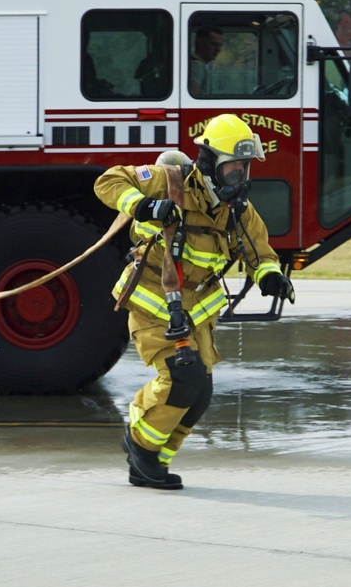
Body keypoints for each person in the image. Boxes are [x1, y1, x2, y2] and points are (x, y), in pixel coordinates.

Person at [94, 114, 295, 490]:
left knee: (200, 392)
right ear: (209, 161)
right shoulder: (170, 183)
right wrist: (143, 206)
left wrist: (270, 276)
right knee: (181, 380)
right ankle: (139, 442)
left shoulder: (238, 210)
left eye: (245, 167)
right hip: (155, 303)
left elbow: (260, 252)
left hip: (198, 312)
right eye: (233, 165)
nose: (240, 175)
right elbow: (108, 181)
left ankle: (155, 458)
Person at [188, 26, 224, 95]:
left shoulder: (198, 65)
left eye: (220, 45)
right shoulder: (196, 66)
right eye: (214, 44)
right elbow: (193, 96)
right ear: (200, 42)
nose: (218, 49)